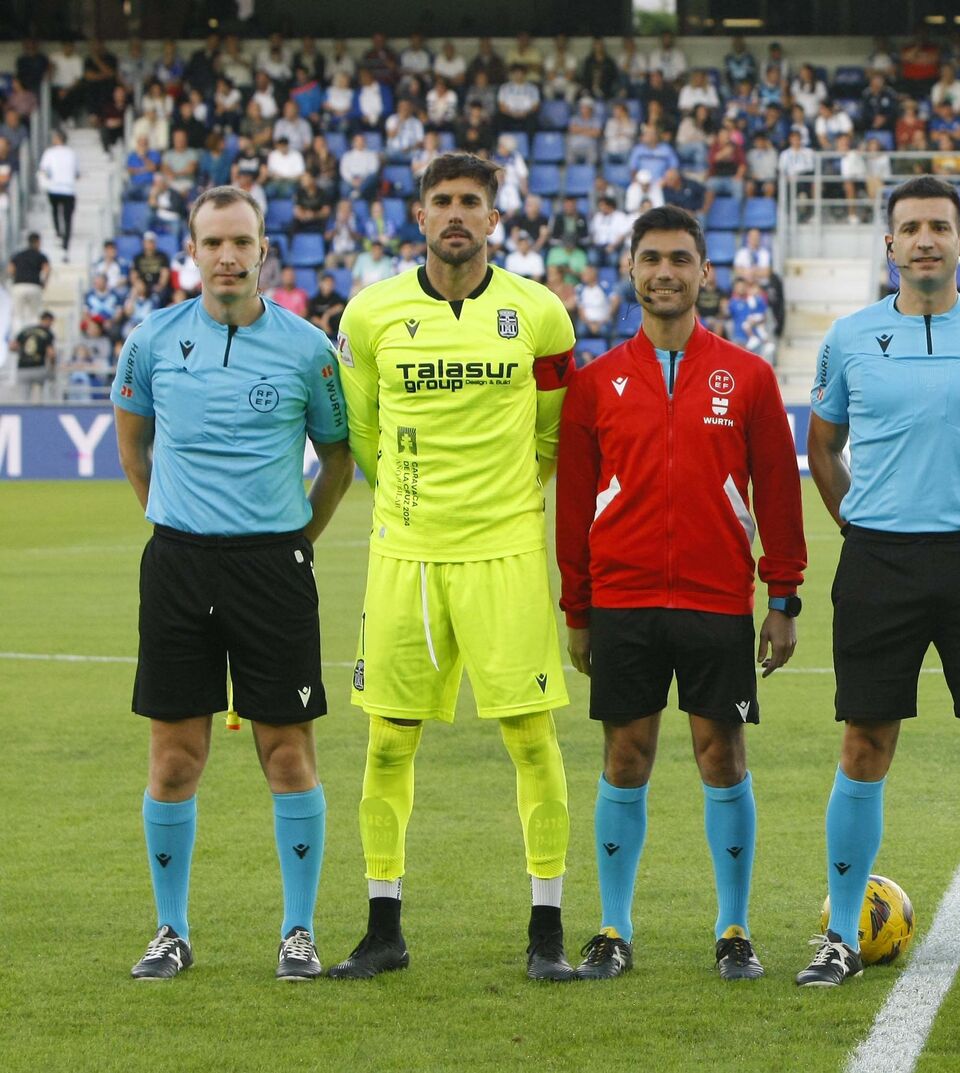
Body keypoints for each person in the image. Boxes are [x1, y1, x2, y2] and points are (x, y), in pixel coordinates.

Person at [797, 176, 960, 990]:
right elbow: (824, 446)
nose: (924, 240)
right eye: (909, 227)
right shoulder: (848, 338)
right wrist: (857, 529)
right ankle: (841, 933)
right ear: (890, 244)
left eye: (939, 227)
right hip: (879, 562)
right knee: (864, 741)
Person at [328, 152, 580, 983]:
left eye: (472, 201)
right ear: (420, 215)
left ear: (496, 219)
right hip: (405, 558)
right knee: (388, 742)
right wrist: (410, 504)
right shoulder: (369, 315)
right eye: (443, 201)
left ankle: (546, 934)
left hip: (506, 554)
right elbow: (362, 432)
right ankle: (382, 929)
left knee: (531, 738)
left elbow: (552, 433)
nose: (456, 214)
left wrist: (502, 502)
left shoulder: (540, 315)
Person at [555, 205, 806, 982]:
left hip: (715, 599)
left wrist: (783, 596)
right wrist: (578, 606)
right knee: (625, 756)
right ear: (629, 269)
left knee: (721, 756)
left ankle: (733, 927)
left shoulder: (750, 376)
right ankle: (612, 927)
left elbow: (779, 497)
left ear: (705, 272)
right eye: (651, 258)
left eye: (681, 258)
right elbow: (572, 504)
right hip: (624, 600)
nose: (665, 271)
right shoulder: (596, 384)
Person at [110, 185, 355, 981]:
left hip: (272, 568)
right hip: (177, 566)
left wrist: (294, 540)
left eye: (240, 242)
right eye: (212, 242)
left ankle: (298, 931)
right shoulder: (150, 340)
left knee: (288, 753)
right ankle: (170, 929)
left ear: (262, 252)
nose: (227, 256)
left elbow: (339, 458)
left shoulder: (306, 349)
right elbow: (133, 441)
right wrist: (174, 523)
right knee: (175, 757)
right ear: (192, 250)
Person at [38, 128, 80, 253]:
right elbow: (77, 173)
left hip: (54, 187)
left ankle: (58, 232)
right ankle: (66, 241)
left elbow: (43, 170)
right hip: (68, 188)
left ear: (57, 139)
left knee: (55, 211)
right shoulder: (72, 153)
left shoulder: (49, 153)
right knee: (68, 217)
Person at [9, 231, 50, 329]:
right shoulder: (40, 255)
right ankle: (32, 337)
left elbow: (10, 269)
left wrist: (15, 278)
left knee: (18, 315)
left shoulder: (18, 255)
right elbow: (47, 269)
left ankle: (18, 337)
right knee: (34, 315)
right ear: (38, 242)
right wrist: (44, 282)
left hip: (19, 285)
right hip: (34, 285)